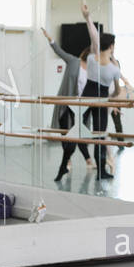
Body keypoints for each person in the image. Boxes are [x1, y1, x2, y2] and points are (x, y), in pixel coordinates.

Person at [41, 27, 92, 181]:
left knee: (78, 136)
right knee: (66, 134)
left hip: (81, 108)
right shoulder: (73, 61)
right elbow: (59, 51)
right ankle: (68, 161)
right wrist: (50, 39)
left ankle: (70, 162)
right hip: (66, 104)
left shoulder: (93, 71)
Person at [80, 0, 123, 180]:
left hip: (86, 96)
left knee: (79, 129)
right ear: (111, 46)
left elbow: (93, 39)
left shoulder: (90, 59)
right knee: (100, 135)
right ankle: (101, 170)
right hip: (102, 98)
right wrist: (111, 99)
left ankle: (68, 163)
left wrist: (88, 18)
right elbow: (117, 91)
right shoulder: (114, 69)